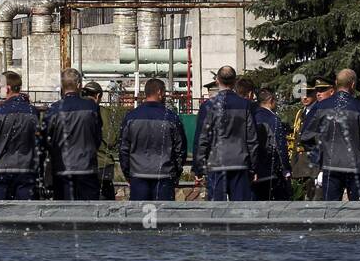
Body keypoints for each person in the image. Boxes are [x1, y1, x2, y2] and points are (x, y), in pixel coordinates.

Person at [299, 69, 360, 201]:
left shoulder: (321, 107)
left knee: (331, 212)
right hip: (356, 167)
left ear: (336, 83)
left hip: (330, 165)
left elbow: (305, 136)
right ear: (352, 84)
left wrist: (320, 155)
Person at [192, 66, 259, 201]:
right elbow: (252, 139)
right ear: (235, 82)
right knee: (240, 211)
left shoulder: (208, 106)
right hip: (240, 163)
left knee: (216, 212)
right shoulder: (245, 105)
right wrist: (253, 167)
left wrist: (198, 167)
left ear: (217, 81)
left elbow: (202, 139)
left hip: (216, 164)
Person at [119, 78, 186, 201]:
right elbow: (180, 149)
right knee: (163, 216)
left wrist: (128, 173)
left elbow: (123, 148)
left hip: (138, 175)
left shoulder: (131, 117)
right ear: (160, 92)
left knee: (139, 215)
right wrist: (175, 173)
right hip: (164, 175)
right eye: (164, 92)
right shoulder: (171, 117)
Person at [41, 69, 104, 201]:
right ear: (79, 85)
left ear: (63, 87)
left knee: (63, 213)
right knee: (88, 211)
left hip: (62, 168)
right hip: (86, 166)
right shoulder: (91, 107)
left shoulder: (54, 109)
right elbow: (97, 136)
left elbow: (46, 139)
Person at [0, 71, 40, 200]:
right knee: (25, 215)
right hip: (26, 169)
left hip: (1, 170)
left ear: (8, 88)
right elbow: (37, 140)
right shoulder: (33, 112)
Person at [249, 87, 291, 201]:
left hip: (254, 170)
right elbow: (280, 146)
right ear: (271, 100)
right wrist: (286, 169)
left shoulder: (252, 116)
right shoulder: (274, 119)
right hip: (271, 170)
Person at [289, 81, 322, 201]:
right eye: (302, 94)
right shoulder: (300, 113)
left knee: (313, 200)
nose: (304, 97)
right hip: (299, 164)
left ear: (314, 94)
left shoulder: (318, 112)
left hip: (311, 164)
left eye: (308, 94)